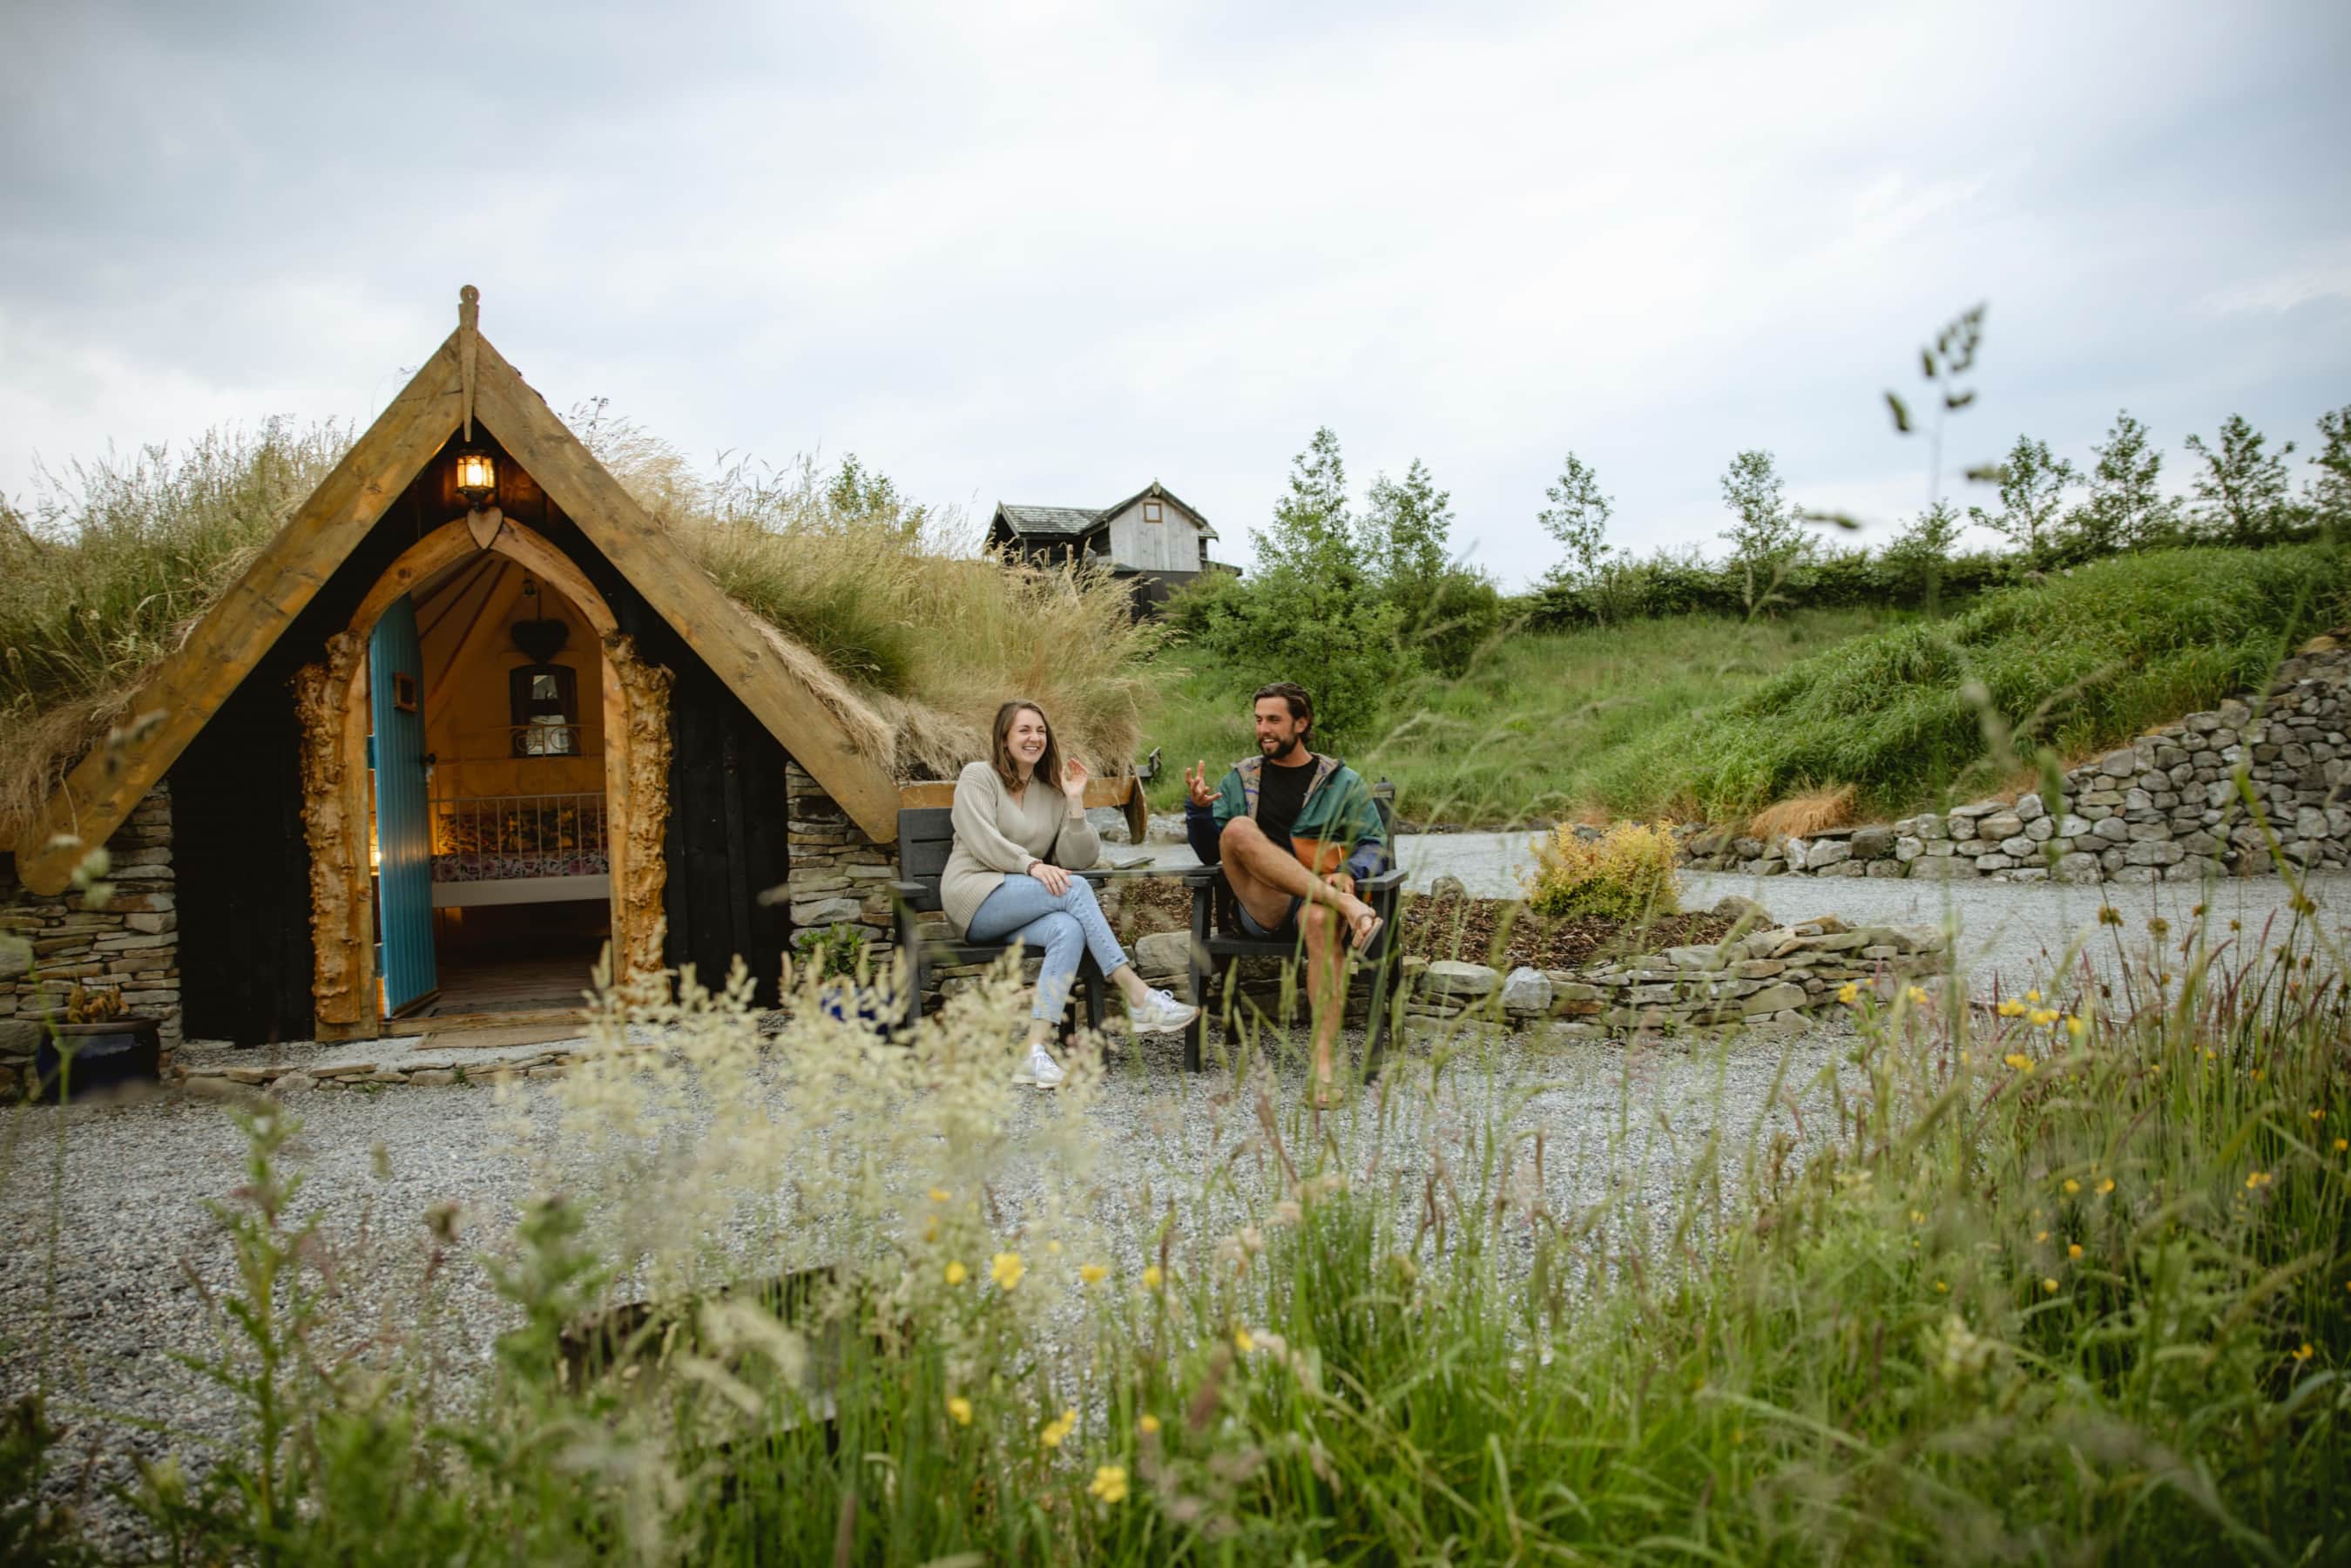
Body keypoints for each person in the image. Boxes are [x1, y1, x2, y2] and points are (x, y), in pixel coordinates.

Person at [943, 700, 1199, 1089]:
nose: (1034, 738)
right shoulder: (978, 777)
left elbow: (1079, 857)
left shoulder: (1051, 792)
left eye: (1041, 730)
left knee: (1068, 928)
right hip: (974, 896)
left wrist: (1076, 800)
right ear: (1004, 738)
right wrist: (1031, 865)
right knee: (1073, 889)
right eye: (1024, 730)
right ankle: (1137, 994)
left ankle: (1033, 1051)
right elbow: (981, 839)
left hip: (1019, 907)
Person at [1184, 680, 1388, 1100]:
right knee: (1239, 828)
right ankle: (1347, 905)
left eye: (1274, 720)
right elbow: (1211, 852)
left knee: (1320, 917)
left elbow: (1374, 844)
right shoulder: (1240, 780)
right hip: (1263, 906)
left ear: (1302, 722)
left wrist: (1351, 868)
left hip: (1313, 909)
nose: (1264, 729)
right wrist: (1199, 812)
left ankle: (1324, 1065)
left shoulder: (1341, 782)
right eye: (1259, 720)